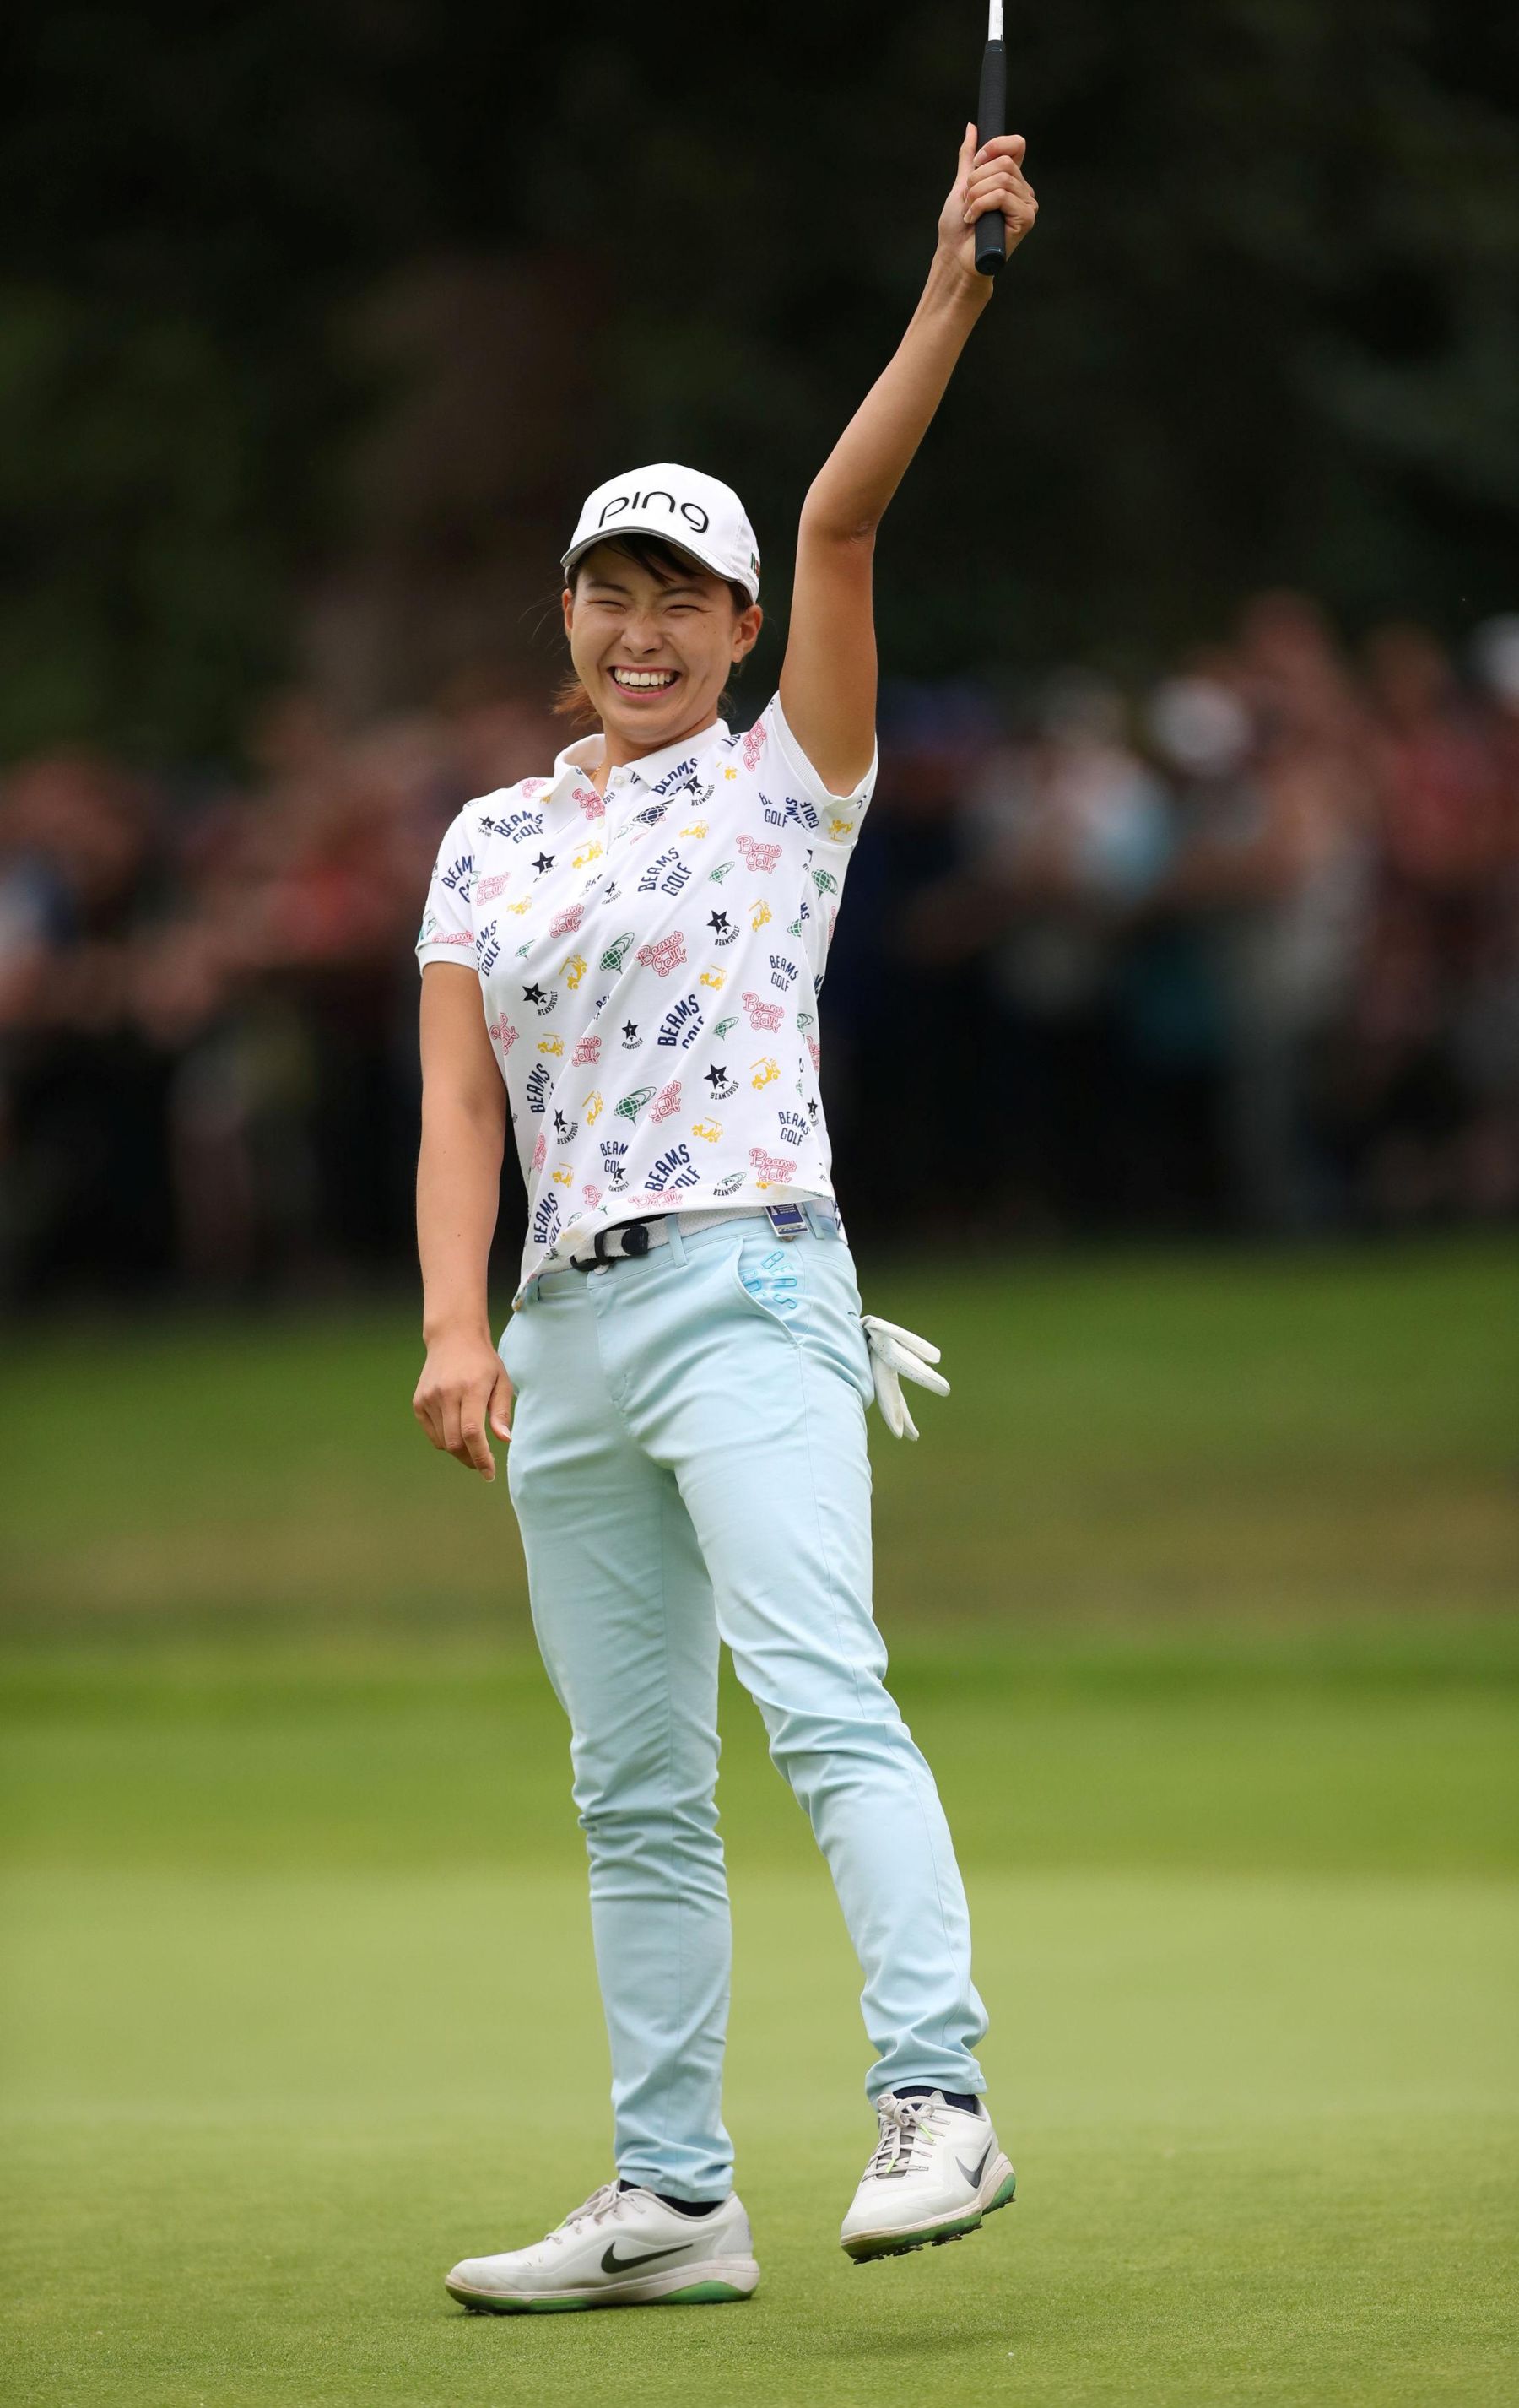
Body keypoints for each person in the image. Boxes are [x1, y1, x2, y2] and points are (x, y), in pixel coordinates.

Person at [411, 122, 1037, 2314]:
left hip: (756, 1282)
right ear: (568, 617)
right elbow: (458, 1106)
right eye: (611, 591)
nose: (641, 626)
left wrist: (951, 285)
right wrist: (454, 1325)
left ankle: (936, 2098)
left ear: (746, 627)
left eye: (682, 597)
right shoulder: (488, 837)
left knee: (821, 1692)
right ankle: (673, 2196)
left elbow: (856, 505)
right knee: (634, 1787)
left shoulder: (790, 788)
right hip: (564, 1336)